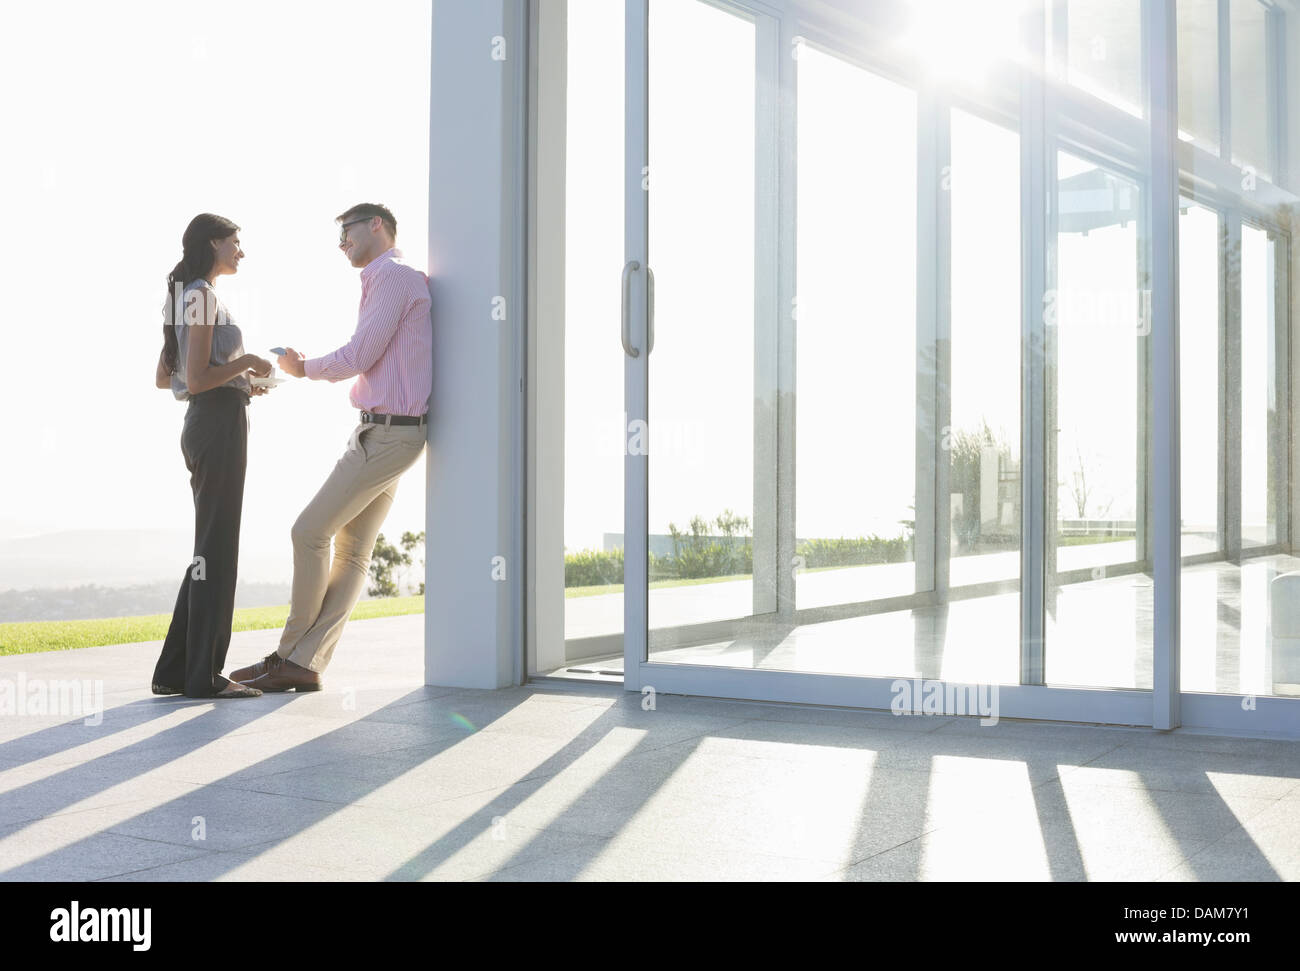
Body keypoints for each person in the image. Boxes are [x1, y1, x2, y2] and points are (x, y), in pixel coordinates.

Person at [232, 203, 431, 692]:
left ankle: (288, 654)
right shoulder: (389, 279)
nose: (341, 242)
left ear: (377, 226)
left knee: (308, 532)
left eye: (347, 231)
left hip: (387, 435)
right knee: (353, 550)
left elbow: (362, 353)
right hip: (387, 432)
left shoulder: (393, 276)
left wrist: (304, 367)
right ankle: (304, 662)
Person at [152, 213, 273, 699]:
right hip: (217, 423)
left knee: (209, 548)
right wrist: (246, 363)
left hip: (207, 420)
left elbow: (168, 378)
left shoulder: (186, 295)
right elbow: (197, 378)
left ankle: (176, 671)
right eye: (235, 242)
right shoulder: (201, 295)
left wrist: (240, 381)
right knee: (217, 551)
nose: (241, 251)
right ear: (213, 243)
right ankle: (204, 676)